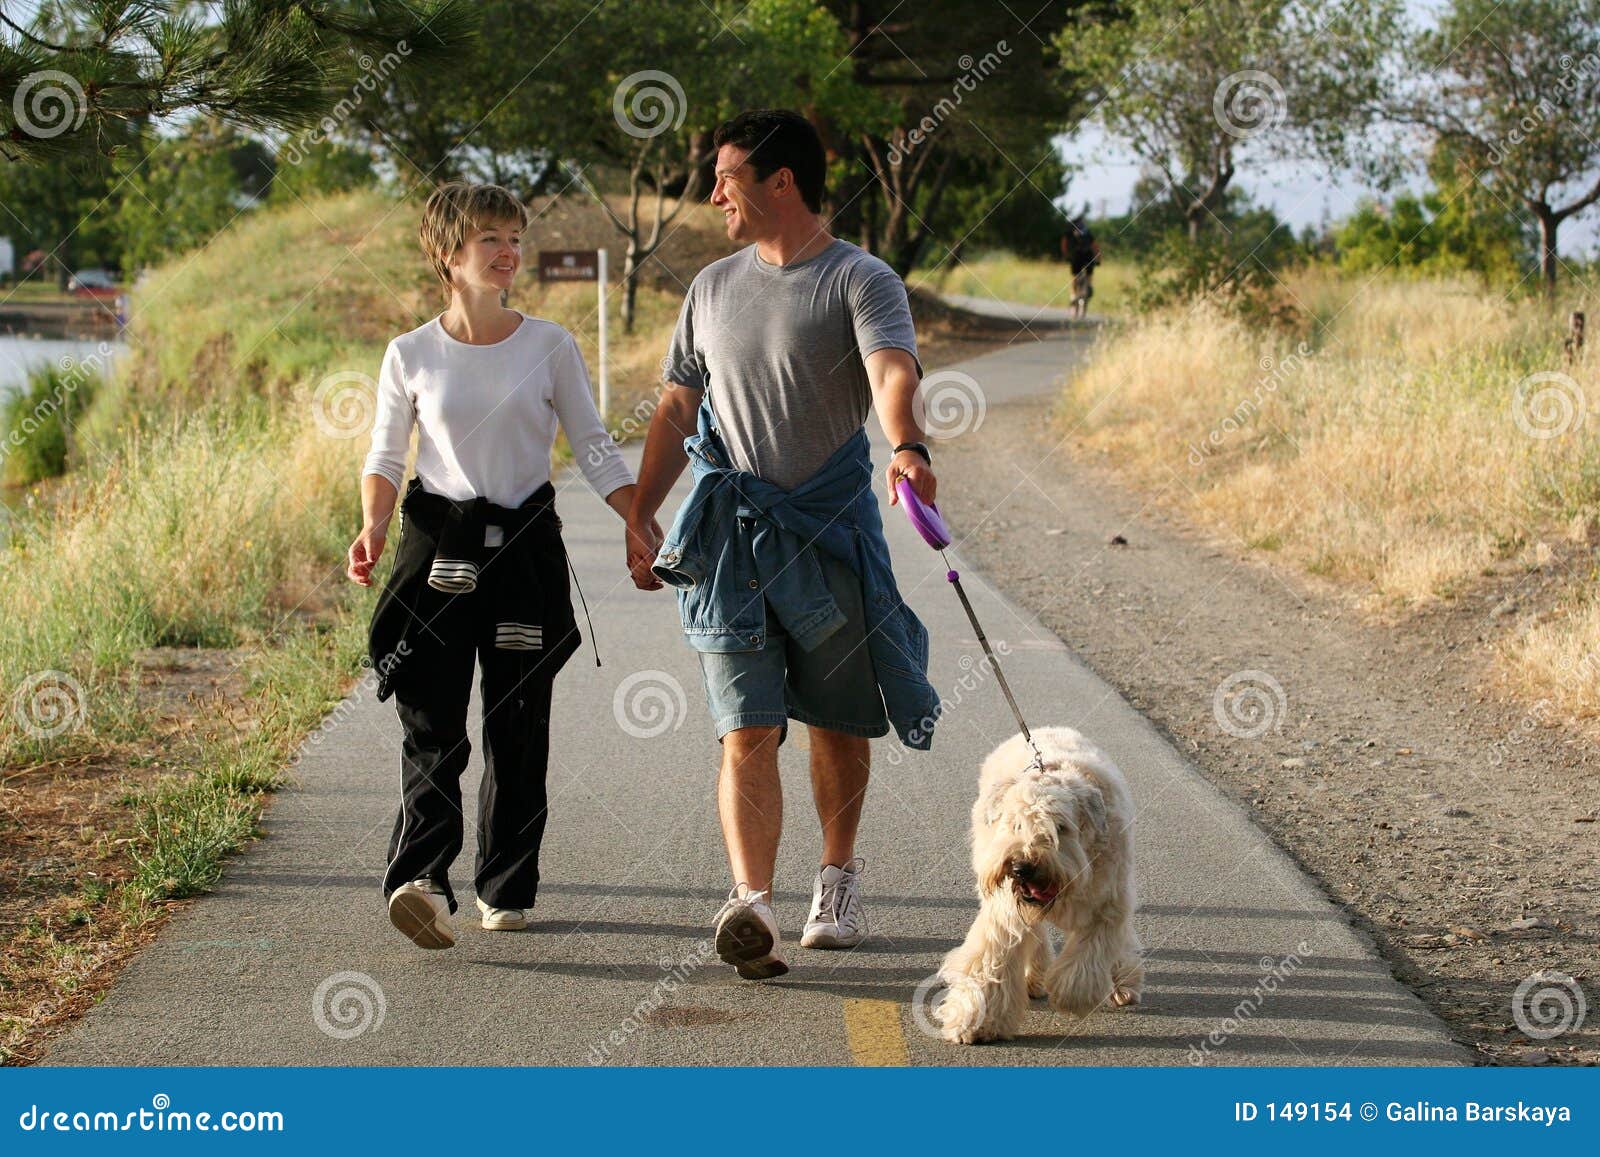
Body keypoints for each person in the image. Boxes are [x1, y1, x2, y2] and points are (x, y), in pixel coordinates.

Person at [624, 109, 941, 980]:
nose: (714, 191)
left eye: (727, 175)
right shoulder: (712, 288)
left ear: (782, 183)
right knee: (746, 726)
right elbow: (678, 408)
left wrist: (908, 444)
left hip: (830, 530)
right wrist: (641, 512)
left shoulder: (860, 279)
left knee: (837, 722)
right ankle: (752, 901)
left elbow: (890, 370)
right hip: (732, 537)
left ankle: (835, 880)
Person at [348, 181, 657, 950]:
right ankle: (421, 878)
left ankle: (506, 884)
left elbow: (590, 444)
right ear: (448, 253)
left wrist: (639, 520)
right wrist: (373, 525)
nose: (508, 251)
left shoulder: (549, 344)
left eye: (514, 236)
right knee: (431, 719)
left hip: (524, 548)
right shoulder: (410, 352)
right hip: (436, 549)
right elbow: (387, 454)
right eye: (490, 237)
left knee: (519, 723)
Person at [1061, 214, 1100, 321]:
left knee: (1074, 276)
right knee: (1089, 276)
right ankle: (1088, 287)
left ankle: (1073, 295)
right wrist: (1098, 260)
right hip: (1088, 258)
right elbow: (1095, 247)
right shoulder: (1087, 232)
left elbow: (1064, 244)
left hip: (1075, 257)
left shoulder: (1069, 232)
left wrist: (1066, 256)